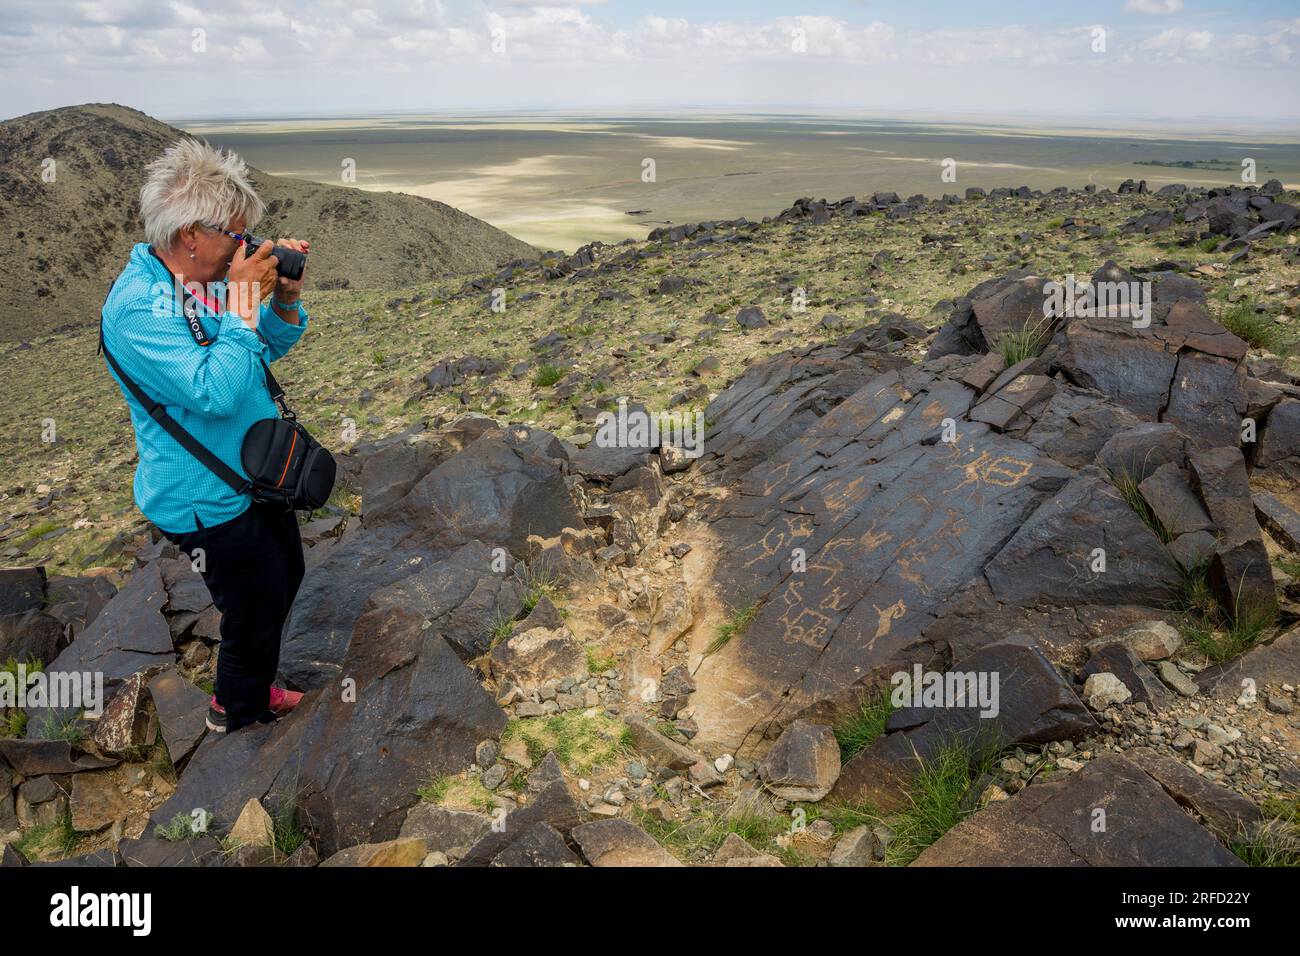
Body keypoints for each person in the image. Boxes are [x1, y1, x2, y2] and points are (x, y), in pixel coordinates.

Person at [101, 138, 311, 733]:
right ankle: (236, 714)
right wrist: (245, 296)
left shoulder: (207, 280)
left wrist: (283, 304)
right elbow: (213, 391)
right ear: (192, 233)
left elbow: (257, 351)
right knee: (251, 610)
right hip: (204, 498)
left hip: (254, 474)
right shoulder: (138, 310)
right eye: (237, 236)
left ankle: (256, 683)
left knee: (286, 578)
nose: (245, 248)